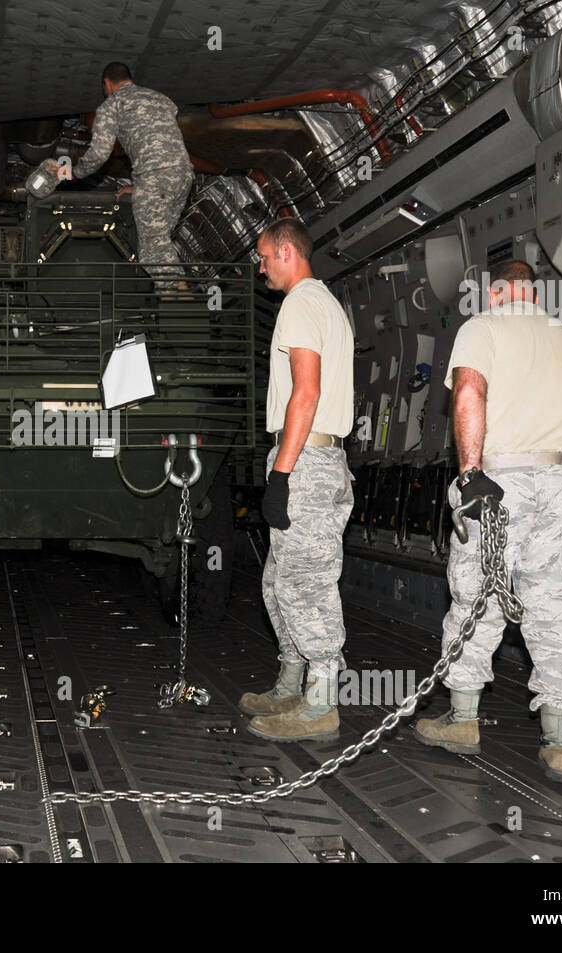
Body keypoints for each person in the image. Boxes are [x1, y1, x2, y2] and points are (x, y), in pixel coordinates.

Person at [414, 261, 562, 782]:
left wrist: (470, 472)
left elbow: (469, 392)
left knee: (478, 597)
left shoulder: (482, 327)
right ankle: (559, 742)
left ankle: (464, 719)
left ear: (496, 291)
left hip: (501, 481)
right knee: (557, 608)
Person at [239, 219, 354, 742]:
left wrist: (282, 475)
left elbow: (305, 393)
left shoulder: (301, 303)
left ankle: (322, 702)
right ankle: (291, 682)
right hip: (313, 457)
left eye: (264, 256)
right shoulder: (326, 302)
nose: (261, 267)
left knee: (305, 585)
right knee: (277, 581)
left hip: (304, 460)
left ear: (287, 251)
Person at [49, 62, 193, 293]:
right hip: (183, 176)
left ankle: (179, 303)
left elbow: (99, 155)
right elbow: (160, 143)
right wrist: (138, 187)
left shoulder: (112, 106)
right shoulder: (161, 99)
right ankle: (175, 297)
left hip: (155, 178)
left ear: (107, 84)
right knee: (161, 241)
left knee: (151, 252)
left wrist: (71, 173)